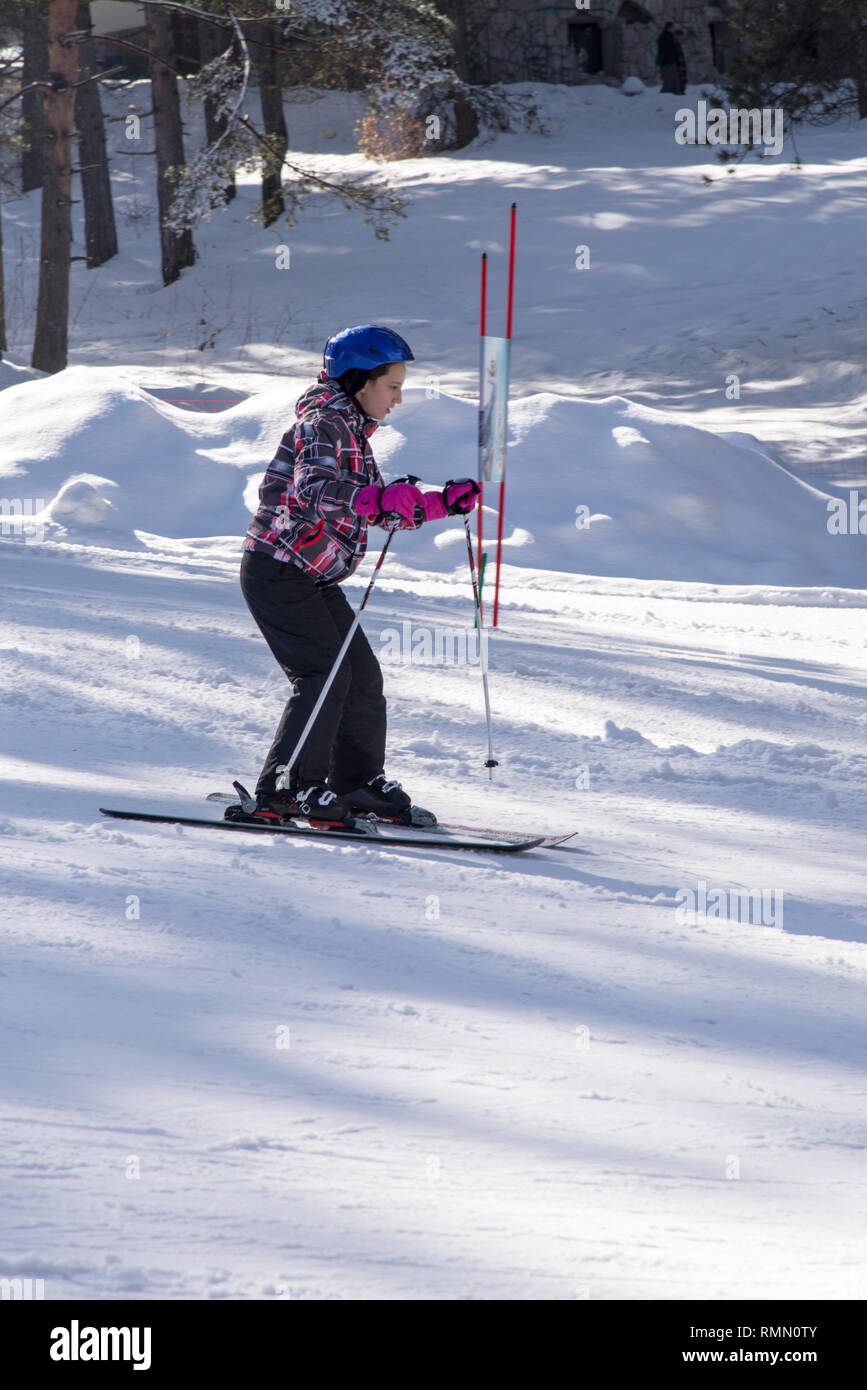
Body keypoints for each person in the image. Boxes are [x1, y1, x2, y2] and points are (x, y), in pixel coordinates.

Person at [239, 324, 480, 827]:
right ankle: (286, 790)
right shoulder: (323, 422)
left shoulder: (350, 431)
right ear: (358, 381)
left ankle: (355, 782)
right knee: (323, 676)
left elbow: (370, 508)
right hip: (278, 569)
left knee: (362, 677)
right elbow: (317, 492)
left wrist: (439, 504)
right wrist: (376, 497)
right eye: (392, 386)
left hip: (312, 574)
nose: (398, 399)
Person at [656, 20, 679, 93]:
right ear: (669, 28)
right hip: (667, 61)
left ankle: (674, 92)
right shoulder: (666, 37)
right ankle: (665, 94)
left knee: (672, 78)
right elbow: (668, 50)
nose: (673, 29)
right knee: (669, 79)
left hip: (668, 61)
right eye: (672, 28)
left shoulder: (667, 36)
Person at [673, 28, 687, 94]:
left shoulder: (678, 46)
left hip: (681, 72)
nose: (680, 39)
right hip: (677, 71)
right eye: (679, 37)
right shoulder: (674, 45)